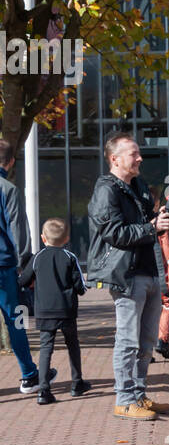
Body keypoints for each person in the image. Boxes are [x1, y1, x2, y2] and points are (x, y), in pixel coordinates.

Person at [87, 132, 169, 421]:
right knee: (128, 339)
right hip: (126, 274)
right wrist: (151, 227)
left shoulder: (138, 186)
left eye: (138, 153)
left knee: (147, 340)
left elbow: (146, 223)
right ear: (115, 159)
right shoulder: (106, 189)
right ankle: (124, 399)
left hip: (148, 270)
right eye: (133, 154)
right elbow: (113, 233)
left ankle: (138, 394)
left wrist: (163, 220)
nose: (139, 158)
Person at [17, 218, 90, 403]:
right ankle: (77, 383)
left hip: (44, 311)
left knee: (45, 348)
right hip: (66, 310)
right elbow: (80, 286)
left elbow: (23, 280)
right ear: (66, 239)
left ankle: (43, 390)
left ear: (43, 238)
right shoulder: (70, 257)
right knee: (72, 344)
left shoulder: (38, 257)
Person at [0, 138, 41, 392]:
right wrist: (26, 267)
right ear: (11, 161)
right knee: (15, 322)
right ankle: (28, 374)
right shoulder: (8, 189)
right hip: (4, 268)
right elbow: (18, 231)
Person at [152, 190, 169, 360]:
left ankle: (143, 349)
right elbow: (166, 254)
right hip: (159, 272)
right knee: (167, 303)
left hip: (140, 273)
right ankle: (163, 341)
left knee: (142, 309)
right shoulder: (159, 224)